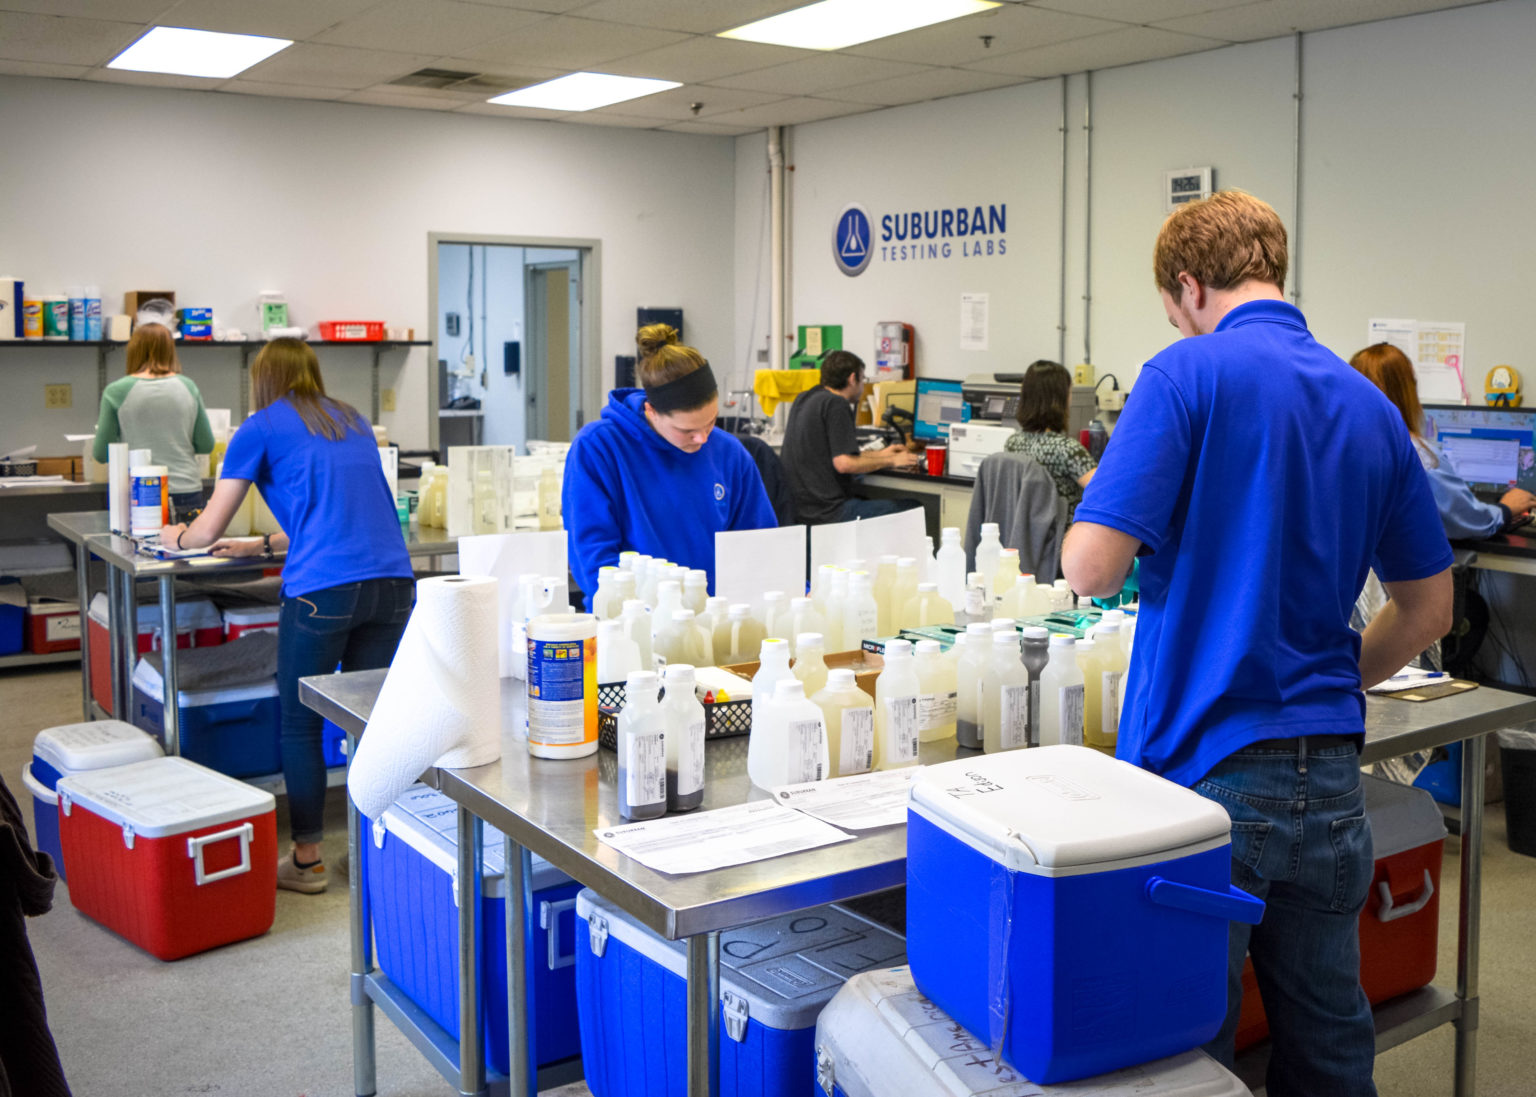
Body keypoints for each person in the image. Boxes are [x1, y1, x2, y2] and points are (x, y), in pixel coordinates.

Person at [1061, 190, 1453, 1097]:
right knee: (1327, 1035)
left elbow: (1090, 567)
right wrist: (1332, 677)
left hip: (1210, 771)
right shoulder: (1370, 408)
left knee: (1187, 1043)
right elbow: (1427, 609)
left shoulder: (1183, 374)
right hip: (1331, 779)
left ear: (1189, 287)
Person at [161, 338, 413, 895]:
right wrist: (265, 546)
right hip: (393, 586)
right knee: (369, 724)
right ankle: (374, 852)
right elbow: (343, 513)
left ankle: (307, 861)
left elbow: (205, 531)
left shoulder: (260, 426)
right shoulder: (350, 419)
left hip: (324, 591)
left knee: (302, 722)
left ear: (262, 380)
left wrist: (173, 535)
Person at [563, 324, 776, 605]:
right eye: (686, 430)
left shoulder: (728, 452)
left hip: (717, 619)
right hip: (633, 622)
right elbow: (592, 555)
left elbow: (760, 544)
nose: (702, 438)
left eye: (711, 422)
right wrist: (646, 616)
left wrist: (792, 585)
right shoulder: (599, 448)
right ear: (651, 411)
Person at [1350, 342, 1536, 538]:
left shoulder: (1346, 448)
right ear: (1408, 391)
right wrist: (1505, 509)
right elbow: (1469, 521)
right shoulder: (1416, 456)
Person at [780, 349, 921, 524]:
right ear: (852, 379)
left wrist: (884, 454)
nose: (862, 387)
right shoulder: (836, 403)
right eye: (863, 380)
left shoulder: (805, 398)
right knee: (913, 508)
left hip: (800, 512)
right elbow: (844, 463)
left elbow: (836, 454)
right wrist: (892, 461)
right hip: (830, 514)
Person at [92, 323, 214, 519]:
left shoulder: (116, 391)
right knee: (187, 548)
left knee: (134, 549)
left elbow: (100, 453)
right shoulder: (188, 386)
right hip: (186, 489)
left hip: (138, 491)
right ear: (171, 350)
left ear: (132, 350)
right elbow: (206, 445)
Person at [1003, 359, 1097, 519]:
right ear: (1060, 400)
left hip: (1026, 536)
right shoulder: (1067, 449)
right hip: (1063, 538)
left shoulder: (1012, 443)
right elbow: (1104, 490)